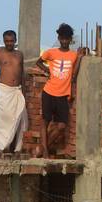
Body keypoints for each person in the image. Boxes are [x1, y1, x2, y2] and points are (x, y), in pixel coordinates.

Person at [35, 23, 81, 158]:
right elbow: (38, 62)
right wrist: (46, 70)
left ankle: (44, 147)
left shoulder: (73, 55)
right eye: (62, 38)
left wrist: (80, 57)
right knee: (45, 121)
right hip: (49, 92)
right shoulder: (51, 52)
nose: (65, 41)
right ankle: (45, 153)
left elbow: (74, 74)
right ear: (59, 38)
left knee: (61, 126)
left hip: (63, 95)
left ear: (70, 39)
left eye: (67, 39)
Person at [0, 30, 28, 154]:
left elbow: (22, 73)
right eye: (7, 41)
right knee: (3, 119)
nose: (9, 43)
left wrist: (24, 91)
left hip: (17, 90)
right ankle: (0, 146)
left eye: (11, 41)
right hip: (3, 90)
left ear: (15, 41)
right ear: (4, 41)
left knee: (20, 118)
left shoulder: (19, 55)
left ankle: (16, 148)